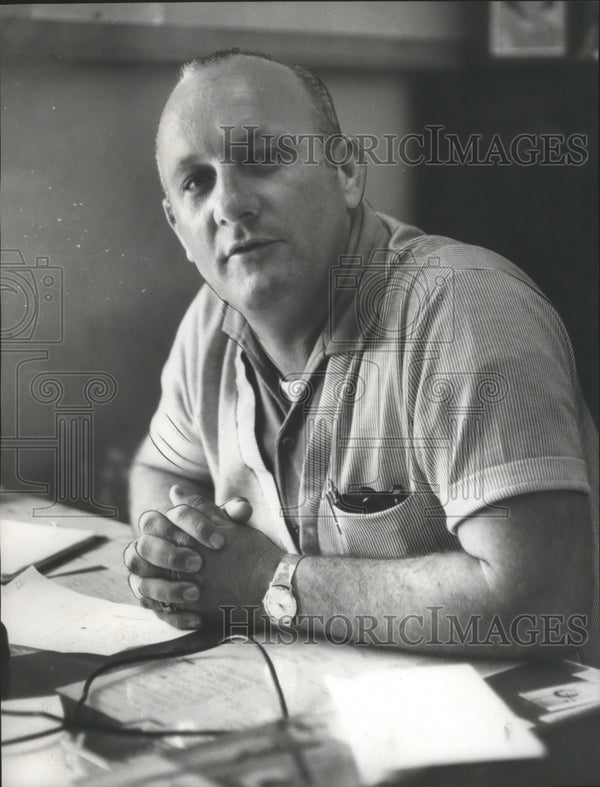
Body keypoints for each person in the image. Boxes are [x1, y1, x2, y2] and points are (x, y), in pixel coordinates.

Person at [124, 48, 598, 661]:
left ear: (346, 172)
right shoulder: (214, 318)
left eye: (263, 159)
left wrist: (263, 583)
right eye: (197, 182)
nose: (229, 204)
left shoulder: (463, 308)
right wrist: (177, 554)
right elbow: (159, 471)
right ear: (178, 226)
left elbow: (544, 603)